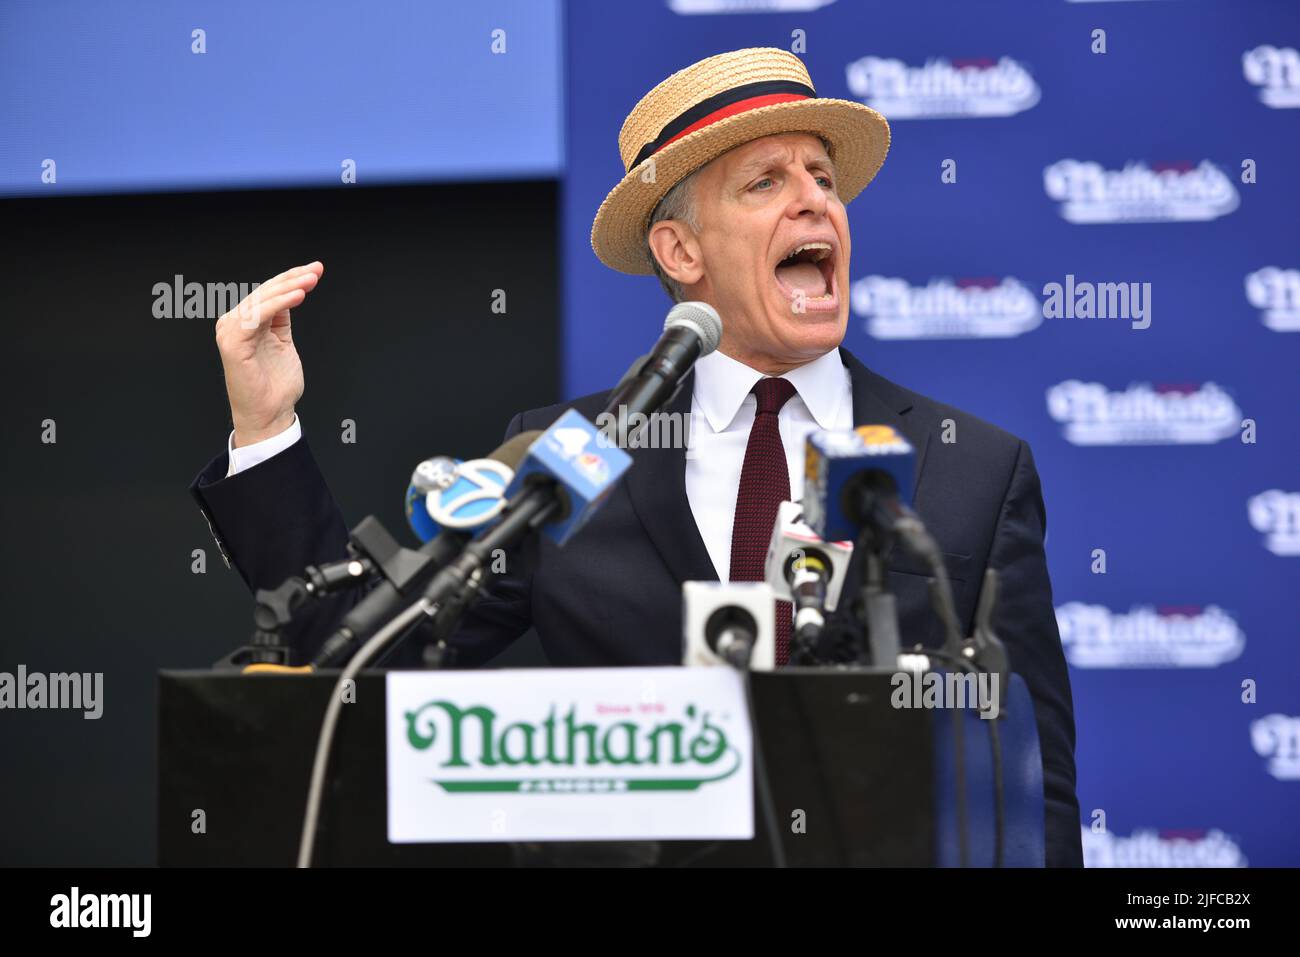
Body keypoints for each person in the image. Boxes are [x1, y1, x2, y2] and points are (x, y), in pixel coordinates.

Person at [191, 48, 1082, 866]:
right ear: (680, 250)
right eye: (764, 181)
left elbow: (1037, 782)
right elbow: (354, 655)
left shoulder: (972, 466)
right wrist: (266, 429)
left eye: (822, 175)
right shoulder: (569, 458)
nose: (813, 199)